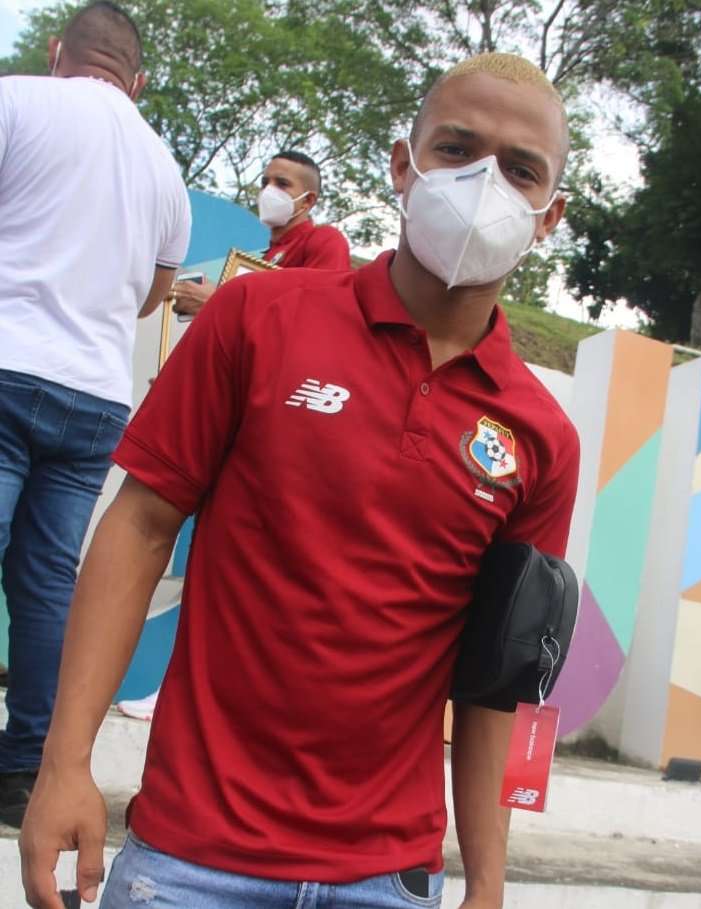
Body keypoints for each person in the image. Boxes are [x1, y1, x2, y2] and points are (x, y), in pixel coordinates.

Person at [20, 52, 578, 909]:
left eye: (519, 169)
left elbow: (495, 678)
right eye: (457, 149)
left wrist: (488, 882)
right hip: (188, 861)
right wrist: (64, 764)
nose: (482, 183)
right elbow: (138, 526)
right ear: (404, 164)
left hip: (390, 878)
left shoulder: (541, 437)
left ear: (548, 215)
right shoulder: (258, 320)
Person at [0, 1, 191, 827]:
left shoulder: (16, 101)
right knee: (46, 585)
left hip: (5, 363)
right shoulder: (162, 167)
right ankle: (20, 774)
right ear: (136, 80)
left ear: (57, 51)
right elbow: (153, 291)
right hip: (93, 398)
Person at [170, 150, 351, 319]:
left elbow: (318, 316)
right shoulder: (264, 257)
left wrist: (217, 302)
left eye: (282, 184)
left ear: (308, 200)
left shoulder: (325, 240)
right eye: (265, 183)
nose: (268, 191)